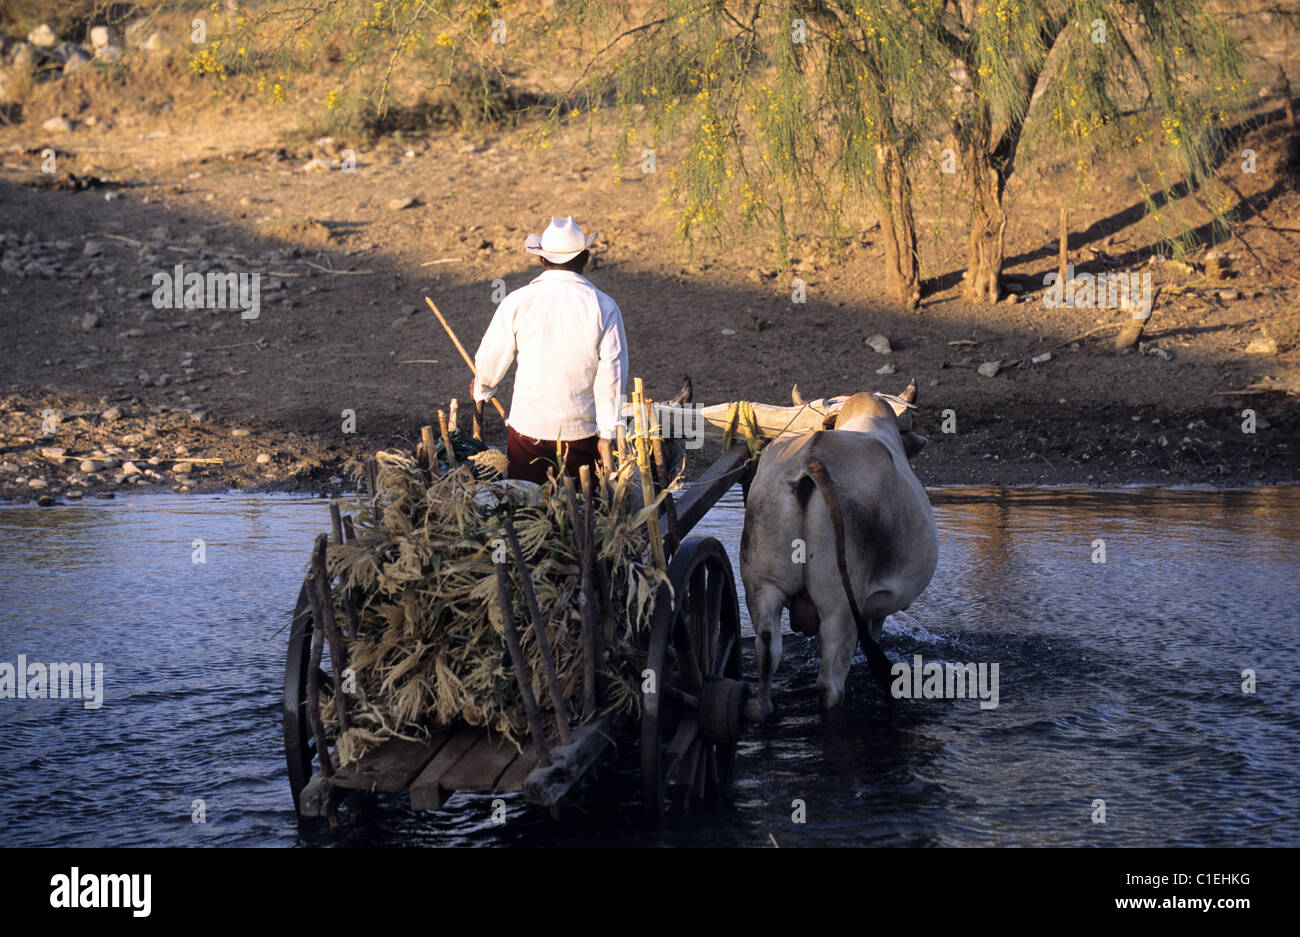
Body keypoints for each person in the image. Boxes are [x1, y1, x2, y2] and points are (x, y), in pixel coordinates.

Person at [471, 216, 628, 484]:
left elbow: (491, 357)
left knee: (528, 507)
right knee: (582, 509)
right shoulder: (604, 306)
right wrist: (607, 434)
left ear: (541, 260)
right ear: (586, 259)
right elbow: (611, 375)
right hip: (581, 434)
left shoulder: (517, 301)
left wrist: (483, 388)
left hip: (528, 433)